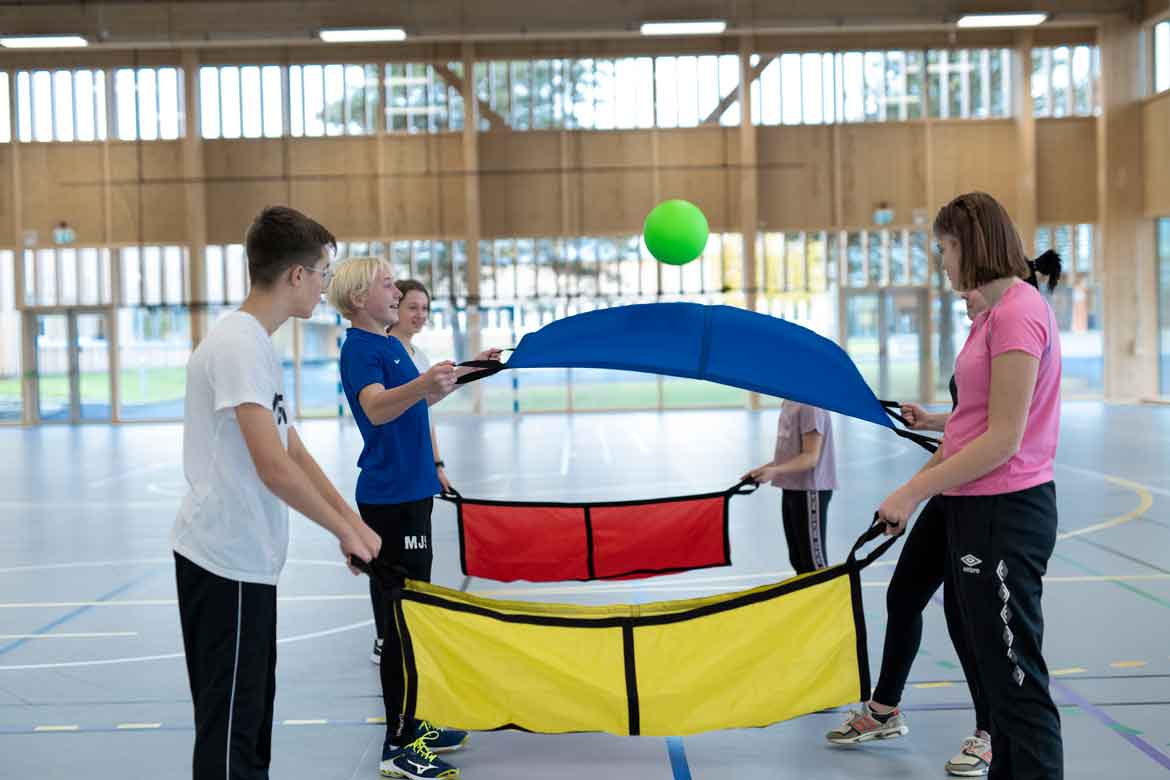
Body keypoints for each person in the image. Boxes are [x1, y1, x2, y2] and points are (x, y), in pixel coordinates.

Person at [827, 250, 1062, 777]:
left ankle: (988, 732)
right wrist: (933, 421)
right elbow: (974, 420)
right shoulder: (983, 329)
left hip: (994, 499)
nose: (959, 292)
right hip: (957, 490)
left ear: (994, 276)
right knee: (906, 591)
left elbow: (1003, 431)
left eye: (965, 283)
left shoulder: (1015, 318)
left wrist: (911, 492)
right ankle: (885, 708)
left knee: (974, 623)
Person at [171, 206, 380, 780]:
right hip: (224, 561)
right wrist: (343, 531)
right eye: (322, 273)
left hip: (248, 562)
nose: (324, 286)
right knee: (232, 730)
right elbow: (272, 468)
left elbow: (292, 450)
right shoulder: (239, 344)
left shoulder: (256, 343)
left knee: (251, 719)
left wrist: (354, 524)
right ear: (295, 276)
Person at [330, 257, 496, 780]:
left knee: (415, 617)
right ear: (361, 299)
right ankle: (396, 745)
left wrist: (477, 367)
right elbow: (377, 408)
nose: (395, 290)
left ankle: (414, 723)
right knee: (399, 625)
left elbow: (424, 395)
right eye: (386, 285)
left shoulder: (390, 346)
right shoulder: (361, 348)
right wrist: (424, 382)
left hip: (413, 492)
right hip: (389, 500)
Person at [388, 278, 502, 495]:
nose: (420, 314)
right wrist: (471, 369)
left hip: (420, 472)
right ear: (395, 307)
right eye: (412, 307)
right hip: (397, 475)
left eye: (425, 308)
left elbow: (425, 413)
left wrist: (437, 465)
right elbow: (413, 402)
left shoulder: (418, 355)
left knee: (419, 531)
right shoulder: (386, 352)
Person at [742, 401, 837, 574]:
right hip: (792, 488)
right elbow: (792, 455)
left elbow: (811, 456)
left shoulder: (810, 405)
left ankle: (827, 600)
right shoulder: (789, 402)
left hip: (810, 491)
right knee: (798, 559)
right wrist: (766, 469)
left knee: (814, 565)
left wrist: (775, 471)